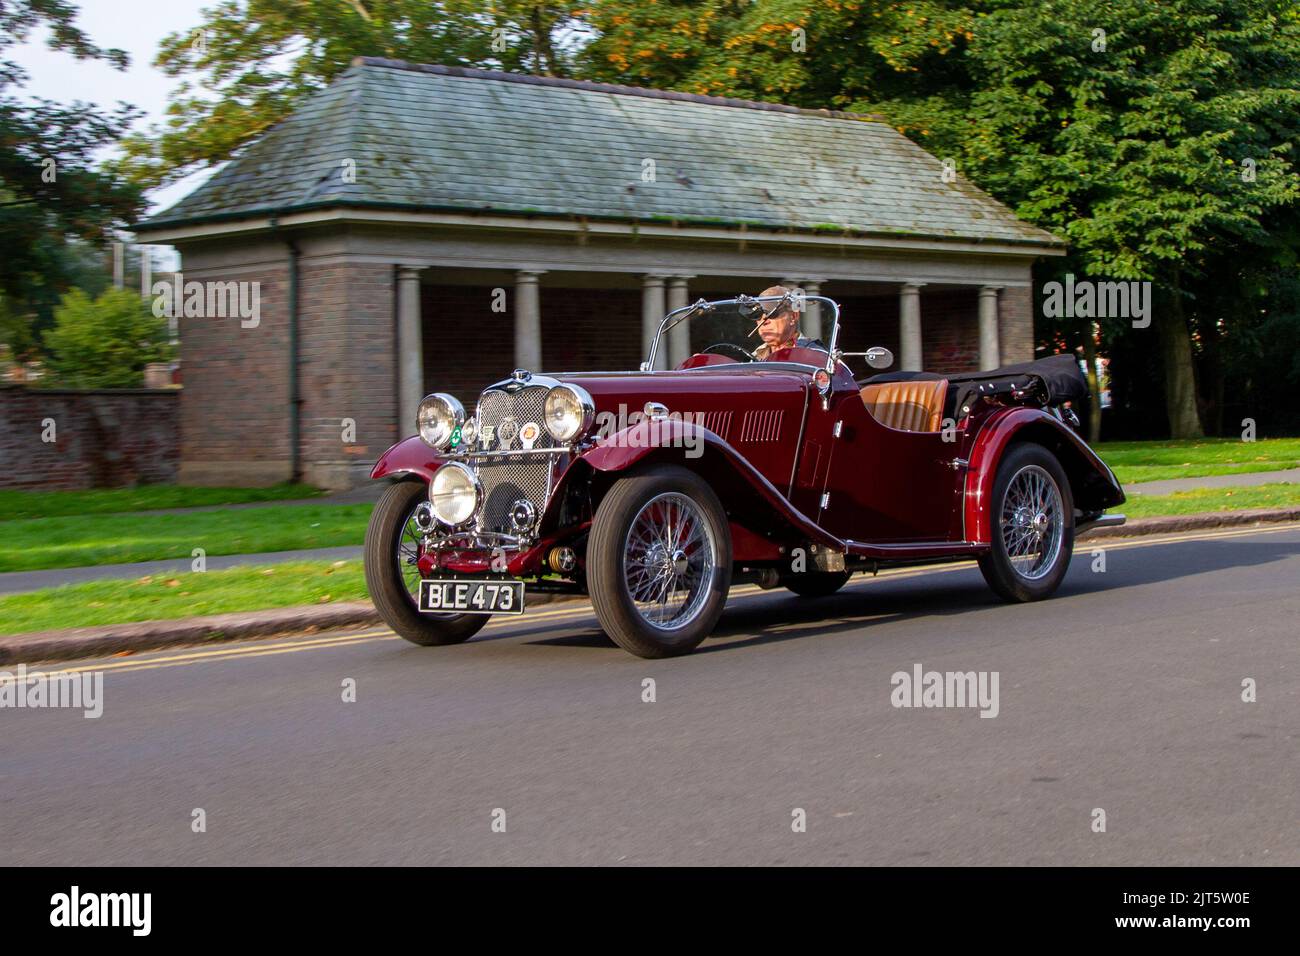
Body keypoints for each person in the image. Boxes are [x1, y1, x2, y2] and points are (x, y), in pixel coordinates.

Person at [750, 285, 825, 360]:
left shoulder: (815, 354)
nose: (763, 321)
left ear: (793, 316)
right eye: (757, 315)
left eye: (772, 314)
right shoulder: (753, 358)